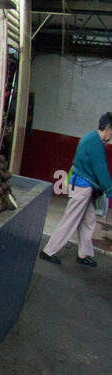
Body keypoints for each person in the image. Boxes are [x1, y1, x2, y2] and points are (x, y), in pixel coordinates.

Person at [39, 112, 112, 267]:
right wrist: (109, 190)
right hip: (82, 187)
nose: (111, 136)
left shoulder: (90, 137)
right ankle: (48, 251)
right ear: (107, 128)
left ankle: (84, 254)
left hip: (82, 185)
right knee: (70, 220)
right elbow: (101, 169)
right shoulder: (95, 143)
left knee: (89, 220)